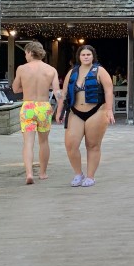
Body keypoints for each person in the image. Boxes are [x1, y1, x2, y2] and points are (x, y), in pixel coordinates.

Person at [55, 43, 116, 187]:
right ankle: (78, 174)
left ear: (93, 56)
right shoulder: (72, 71)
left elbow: (108, 90)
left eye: (88, 54)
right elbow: (63, 94)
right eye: (83, 54)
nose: (86, 57)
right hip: (75, 112)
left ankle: (90, 176)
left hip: (96, 111)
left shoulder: (100, 71)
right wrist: (59, 111)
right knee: (71, 145)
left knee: (93, 145)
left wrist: (108, 110)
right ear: (79, 57)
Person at [12, 41, 61, 185]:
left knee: (28, 143)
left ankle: (29, 173)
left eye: (25, 53)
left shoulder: (22, 69)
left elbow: (15, 89)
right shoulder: (51, 70)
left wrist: (25, 88)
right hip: (43, 107)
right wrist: (60, 108)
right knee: (44, 141)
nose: (25, 56)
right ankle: (43, 173)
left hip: (28, 107)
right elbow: (57, 92)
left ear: (29, 52)